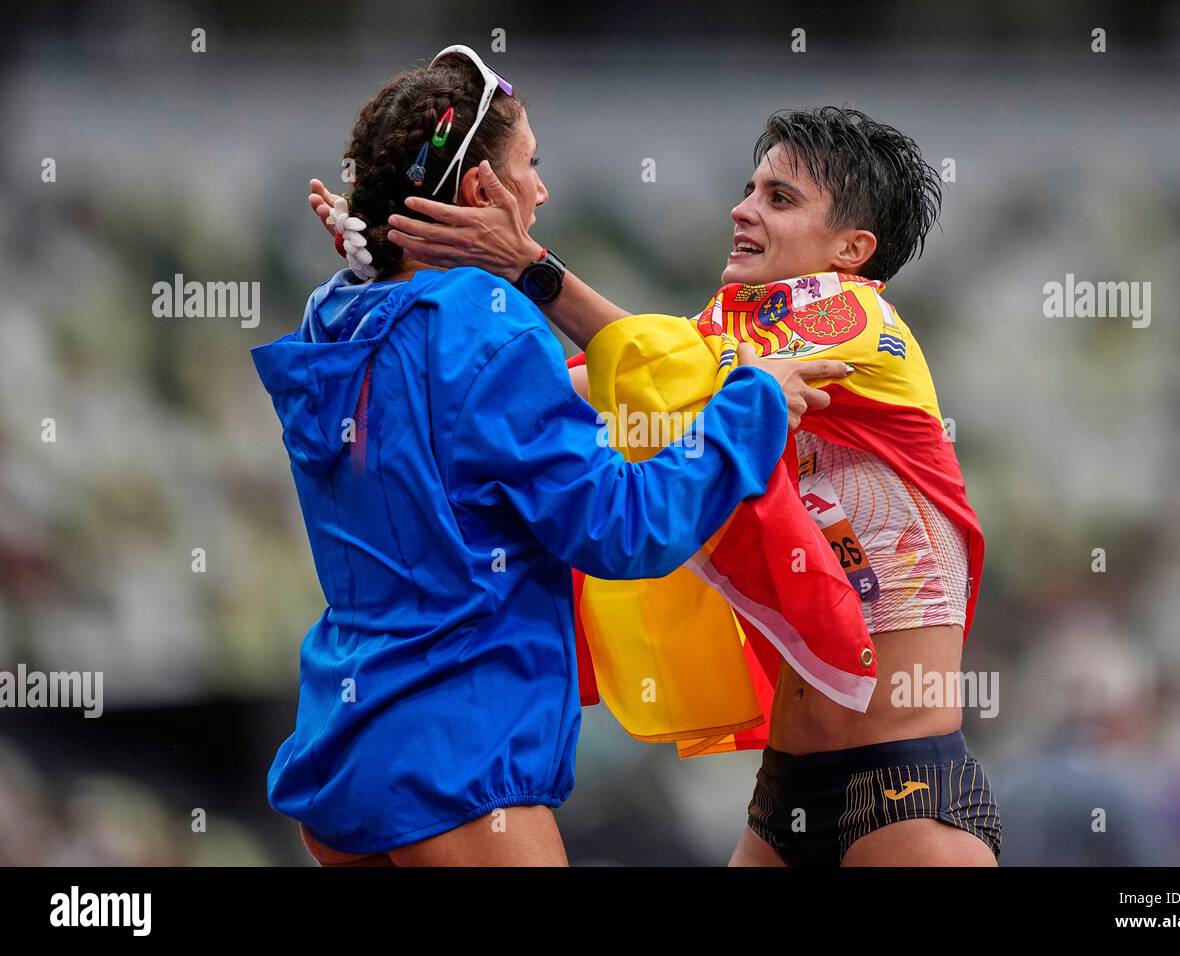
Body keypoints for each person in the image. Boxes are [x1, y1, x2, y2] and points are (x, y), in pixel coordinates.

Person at [312, 105, 1002, 867]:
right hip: (785, 791)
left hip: (903, 787)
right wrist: (382, 273)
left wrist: (527, 266)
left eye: (779, 198)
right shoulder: (728, 325)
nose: (741, 209)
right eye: (749, 188)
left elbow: (668, 374)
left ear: (852, 248)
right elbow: (552, 395)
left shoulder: (860, 319)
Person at [261, 46, 849, 867]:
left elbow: (443, 442)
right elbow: (618, 528)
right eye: (530, 165)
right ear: (480, 192)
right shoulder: (482, 317)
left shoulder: (335, 315)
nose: (540, 189)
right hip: (457, 764)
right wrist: (750, 409)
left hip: (341, 750)